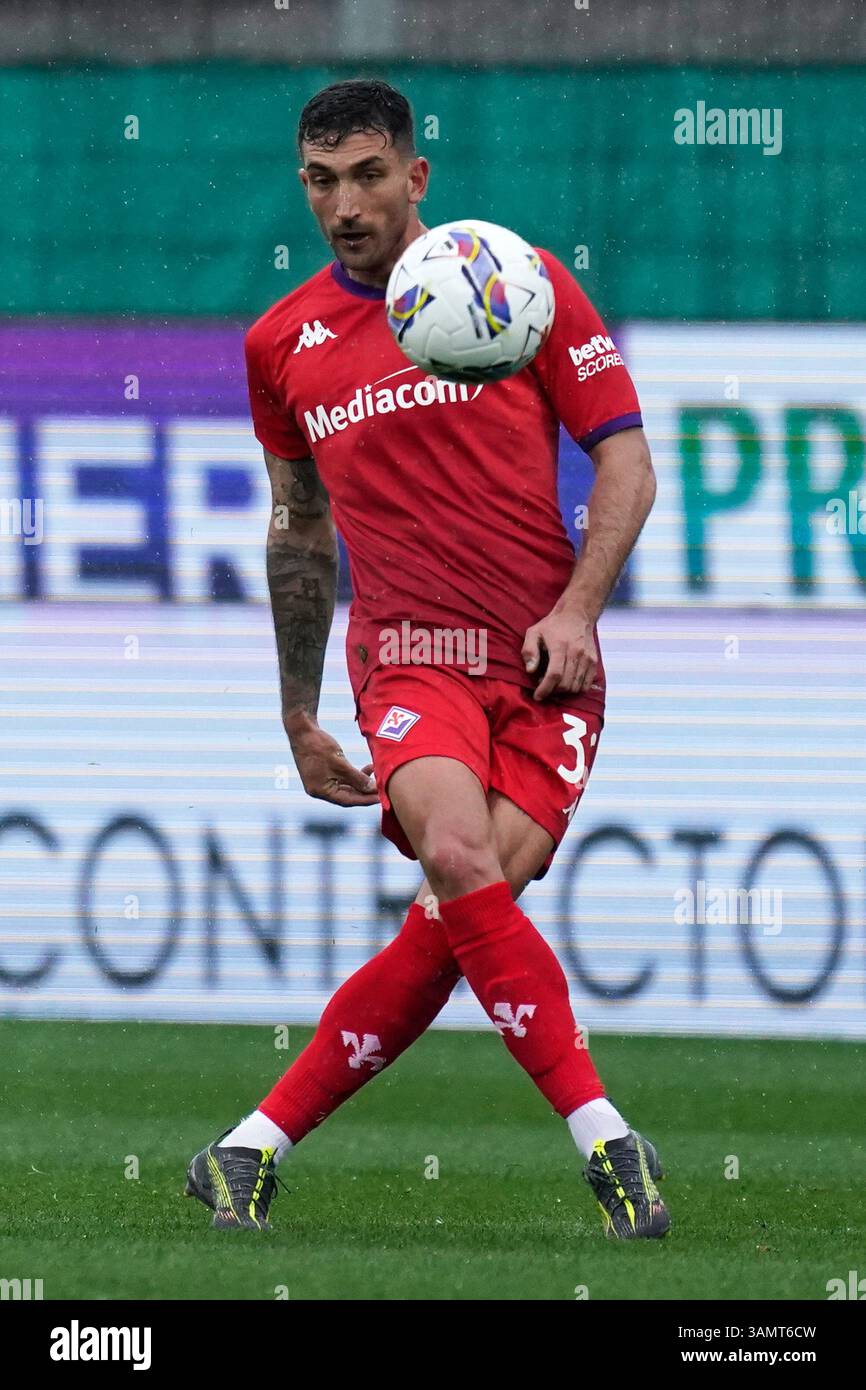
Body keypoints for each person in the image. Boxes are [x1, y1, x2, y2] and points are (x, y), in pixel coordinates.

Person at [185, 78, 668, 1240]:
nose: (342, 204)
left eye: (365, 175)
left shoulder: (520, 284)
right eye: (318, 180)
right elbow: (297, 526)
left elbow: (628, 466)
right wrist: (298, 709)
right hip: (408, 657)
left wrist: (578, 609)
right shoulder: (279, 344)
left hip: (546, 662)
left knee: (457, 912)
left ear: (416, 175)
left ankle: (244, 1150)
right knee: (455, 851)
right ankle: (608, 1141)